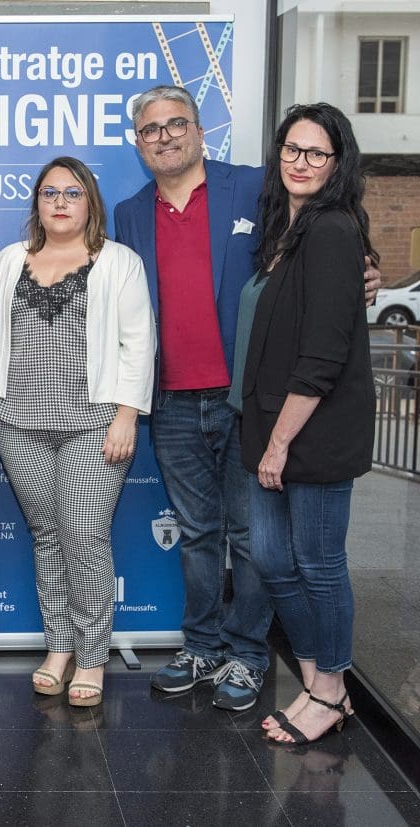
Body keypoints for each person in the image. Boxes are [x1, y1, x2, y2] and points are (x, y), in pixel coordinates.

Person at [115, 85, 381, 712]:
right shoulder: (128, 212)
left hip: (250, 402)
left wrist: (367, 270)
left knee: (252, 537)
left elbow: (325, 240)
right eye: (150, 130)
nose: (164, 137)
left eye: (176, 124)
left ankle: (248, 653)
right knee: (198, 533)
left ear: (201, 131)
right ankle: (202, 644)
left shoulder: (257, 185)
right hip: (173, 400)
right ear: (138, 142)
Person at [0, 157, 155, 706]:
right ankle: (58, 646)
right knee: (49, 536)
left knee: (84, 533)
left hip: (95, 425)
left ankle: (93, 654)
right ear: (36, 202)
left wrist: (127, 415)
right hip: (19, 423)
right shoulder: (11, 261)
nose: (60, 201)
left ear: (90, 204)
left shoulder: (118, 262)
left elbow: (138, 342)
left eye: (72, 193)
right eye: (50, 192)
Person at [236, 103, 375, 745]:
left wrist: (279, 444)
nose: (301, 162)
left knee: (318, 564)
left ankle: (329, 691)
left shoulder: (332, 231)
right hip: (270, 431)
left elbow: (321, 356)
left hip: (309, 437)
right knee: (271, 559)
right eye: (293, 149)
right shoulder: (286, 230)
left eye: (317, 153)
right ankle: (322, 679)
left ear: (338, 163)